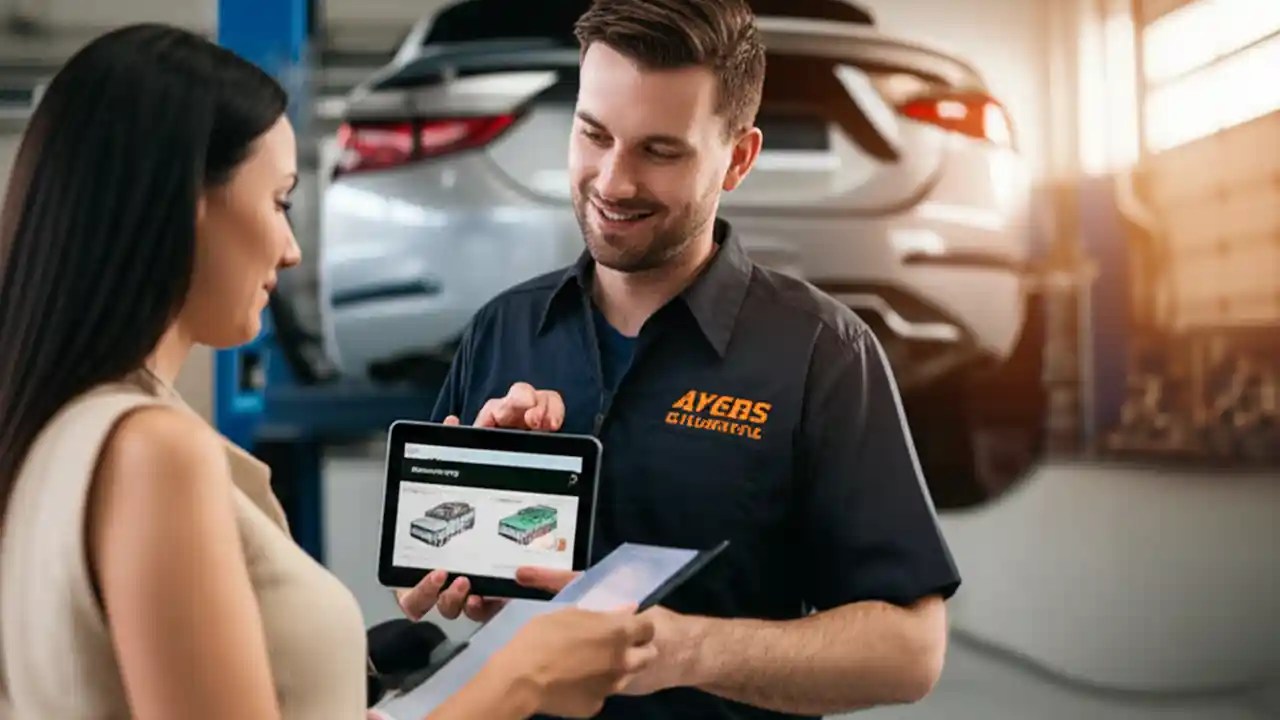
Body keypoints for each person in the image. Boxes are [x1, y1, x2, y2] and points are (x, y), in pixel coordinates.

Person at [0, 24, 656, 720]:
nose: (289, 251)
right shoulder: (155, 454)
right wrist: (522, 677)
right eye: (281, 201)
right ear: (190, 205)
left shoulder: (52, 432)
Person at [396, 0, 962, 718]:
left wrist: (678, 650)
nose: (612, 181)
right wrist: (470, 551)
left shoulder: (822, 354)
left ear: (739, 158)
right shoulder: (503, 330)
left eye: (659, 151)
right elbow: (423, 578)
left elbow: (910, 653)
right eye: (593, 135)